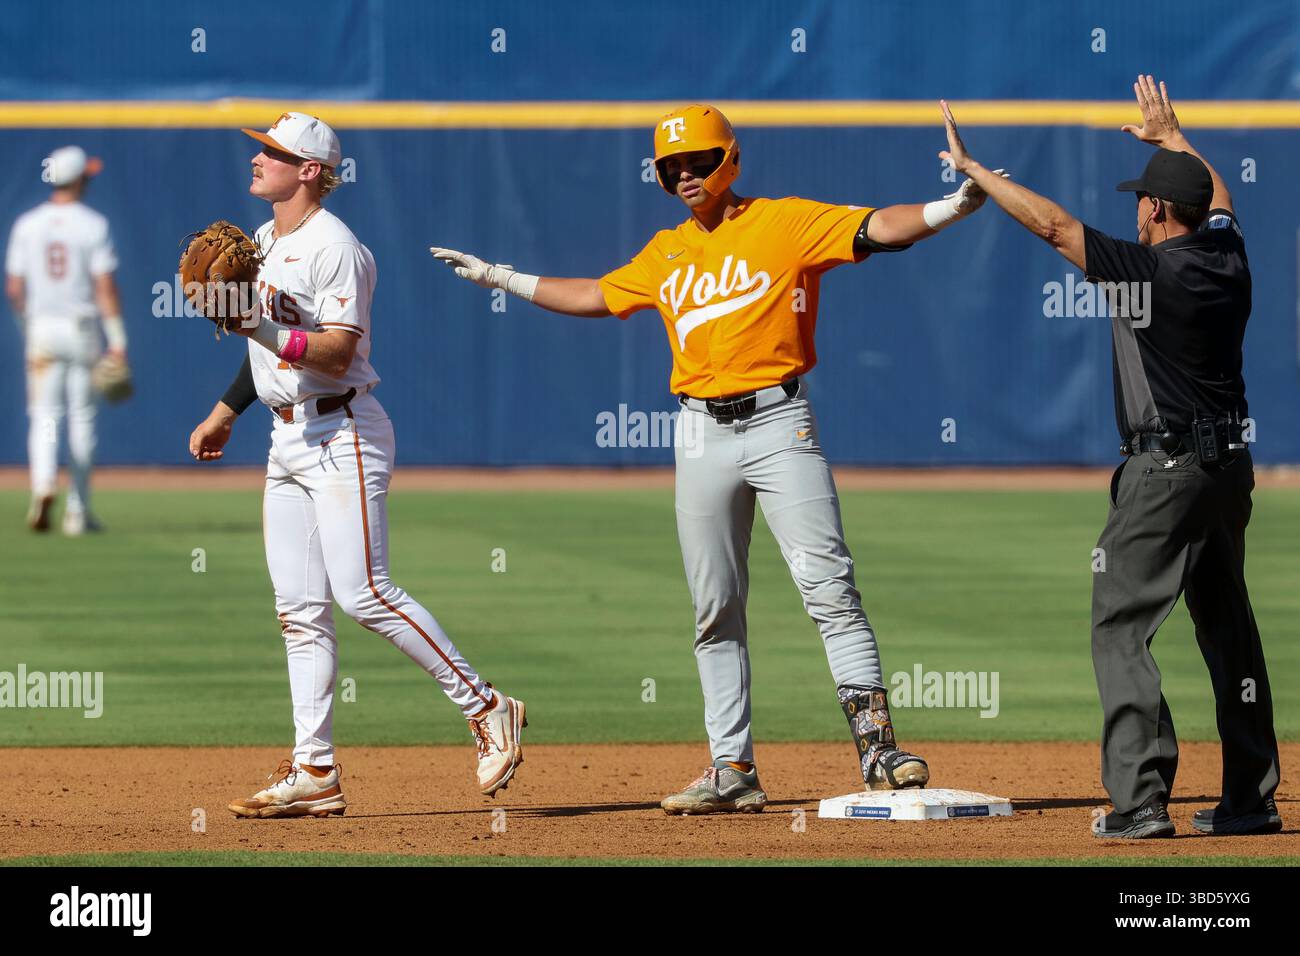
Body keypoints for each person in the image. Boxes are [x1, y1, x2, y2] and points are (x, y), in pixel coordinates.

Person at [431, 104, 997, 814]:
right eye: (674, 167)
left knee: (829, 589)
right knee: (714, 607)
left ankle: (879, 750)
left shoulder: (784, 222)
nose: (687, 175)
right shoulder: (665, 252)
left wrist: (954, 205)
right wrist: (500, 277)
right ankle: (731, 767)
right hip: (699, 433)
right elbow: (597, 295)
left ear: (729, 160)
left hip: (779, 420)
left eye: (699, 162)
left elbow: (879, 227)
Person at [939, 77, 1281, 838]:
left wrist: (976, 172)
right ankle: (1251, 797)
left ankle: (1140, 801)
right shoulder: (1228, 256)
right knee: (1229, 625)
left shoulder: (1149, 275)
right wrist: (1176, 140)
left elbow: (1055, 227)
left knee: (1120, 623)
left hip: (1166, 474)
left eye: (1144, 198)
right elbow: (1221, 197)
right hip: (1229, 470)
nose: (1136, 207)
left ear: (1157, 211)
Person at [187, 112, 526, 818]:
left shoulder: (336, 248)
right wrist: (227, 409)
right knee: (298, 613)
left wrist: (252, 321)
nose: (257, 160)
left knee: (364, 592)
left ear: (309, 170)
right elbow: (268, 351)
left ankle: (488, 705)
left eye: (272, 153)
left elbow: (336, 352)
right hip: (286, 439)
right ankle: (315, 771)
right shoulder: (261, 241)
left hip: (342, 431)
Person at [5, 146, 126, 535]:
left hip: (41, 327)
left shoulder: (26, 224)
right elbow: (105, 286)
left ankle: (42, 485)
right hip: (81, 328)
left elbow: (14, 288)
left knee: (44, 416)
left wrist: (28, 329)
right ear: (78, 179)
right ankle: (78, 510)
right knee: (81, 418)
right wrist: (118, 339)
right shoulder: (92, 224)